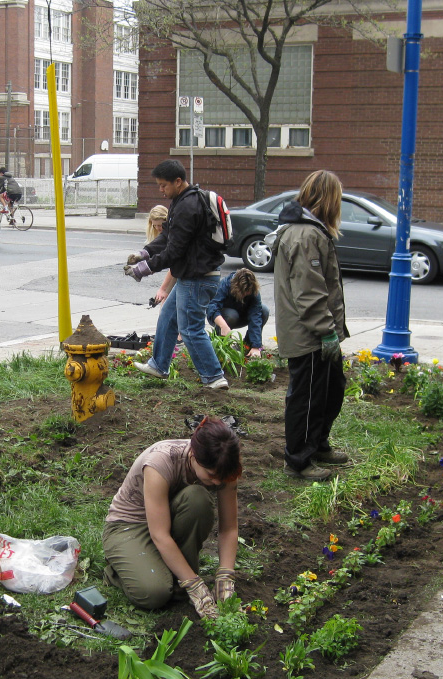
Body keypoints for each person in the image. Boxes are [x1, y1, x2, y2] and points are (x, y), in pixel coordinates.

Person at [102, 417, 242, 620]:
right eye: (211, 475)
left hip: (167, 518)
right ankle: (119, 569)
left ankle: (178, 576)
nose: (217, 481)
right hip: (129, 526)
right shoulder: (160, 463)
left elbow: (228, 528)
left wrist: (225, 575)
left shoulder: (226, 466)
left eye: (222, 478)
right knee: (154, 593)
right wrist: (194, 585)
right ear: (193, 455)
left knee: (197, 499)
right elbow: (160, 535)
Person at [270, 170, 349, 481]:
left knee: (330, 391)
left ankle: (317, 445)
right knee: (307, 398)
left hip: (316, 332)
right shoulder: (305, 236)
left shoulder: (311, 231)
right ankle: (299, 460)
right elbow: (309, 293)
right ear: (328, 200)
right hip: (309, 335)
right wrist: (327, 332)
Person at [124, 159, 228, 389]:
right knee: (168, 317)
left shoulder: (187, 206)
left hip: (197, 278)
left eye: (164, 185)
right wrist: (143, 253)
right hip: (193, 276)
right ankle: (159, 365)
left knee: (190, 330)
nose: (161, 190)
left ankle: (214, 377)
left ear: (178, 181)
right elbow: (167, 236)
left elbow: (174, 251)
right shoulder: (183, 201)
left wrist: (143, 269)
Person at [206, 268, 270, 358]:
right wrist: (223, 326)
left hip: (241, 316)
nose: (246, 294)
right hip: (223, 318)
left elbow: (255, 316)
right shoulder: (225, 285)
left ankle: (247, 345)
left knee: (264, 310)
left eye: (248, 293)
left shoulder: (253, 289)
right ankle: (219, 347)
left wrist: (256, 346)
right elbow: (212, 307)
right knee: (232, 315)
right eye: (244, 293)